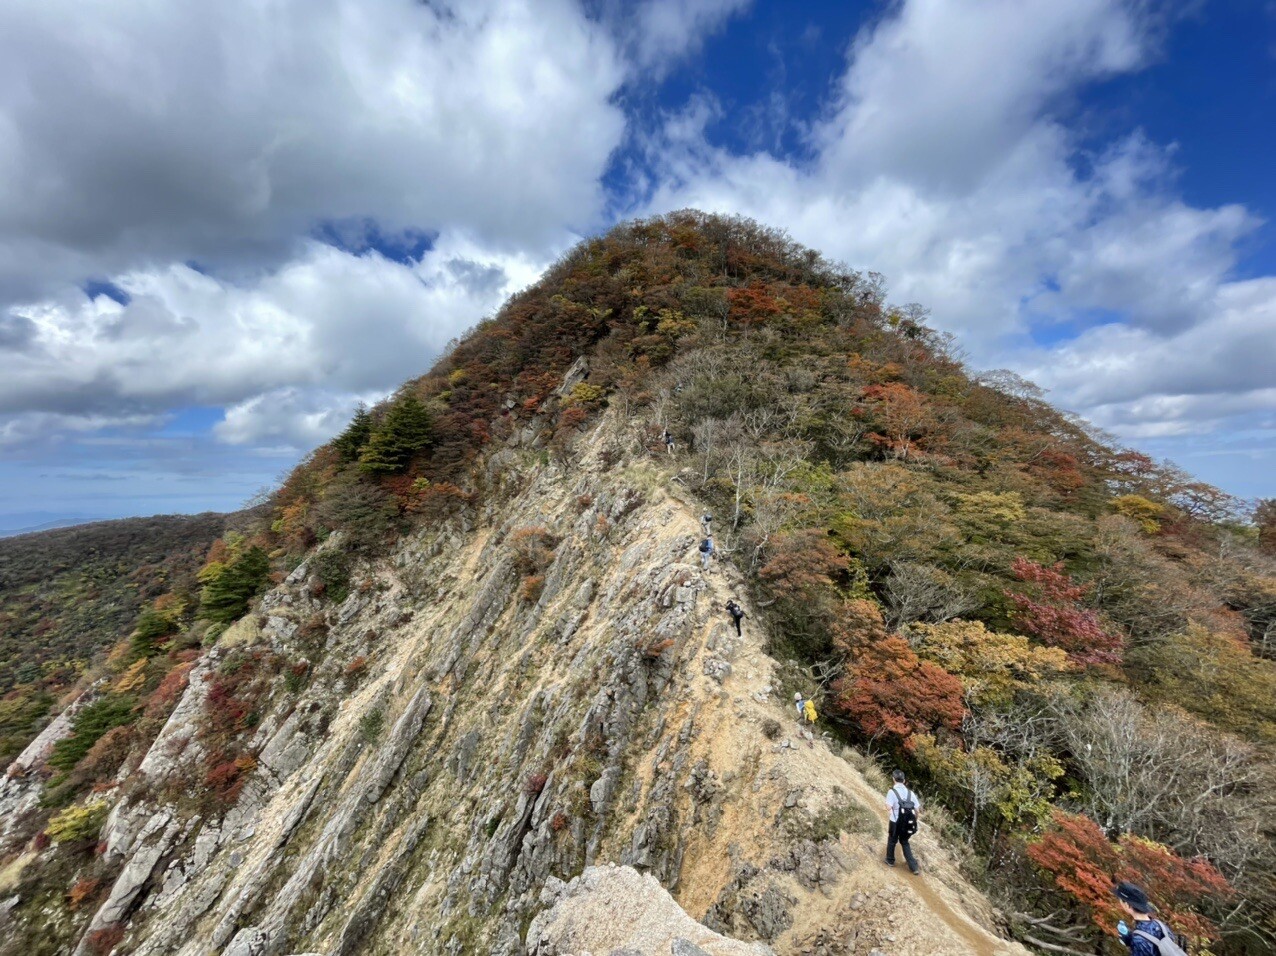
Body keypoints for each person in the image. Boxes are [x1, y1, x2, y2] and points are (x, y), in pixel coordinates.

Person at [1114, 882, 1186, 956]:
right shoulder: (1161, 926)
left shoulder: (1139, 940)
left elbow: (1145, 944)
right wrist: (1130, 940)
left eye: (1121, 901)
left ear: (1127, 905)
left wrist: (1134, 942)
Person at [885, 770, 921, 875]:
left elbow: (888, 807)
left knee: (892, 840)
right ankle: (914, 867)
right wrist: (915, 820)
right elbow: (917, 810)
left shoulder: (892, 792)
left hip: (895, 822)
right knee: (905, 842)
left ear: (893, 779)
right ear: (904, 781)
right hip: (908, 823)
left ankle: (890, 860)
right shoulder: (911, 793)